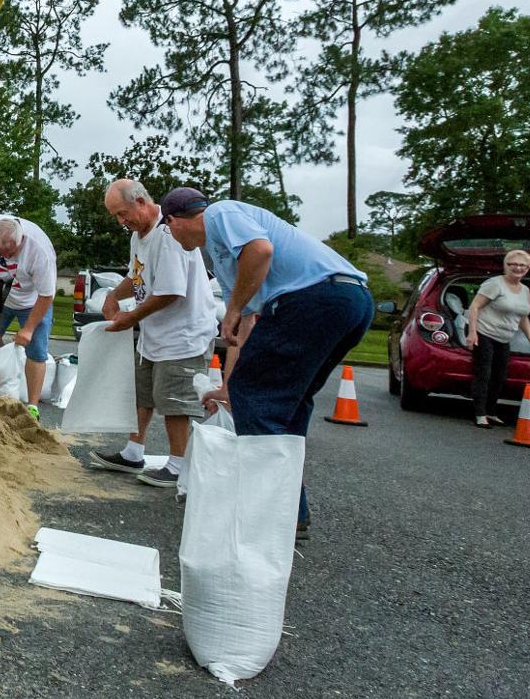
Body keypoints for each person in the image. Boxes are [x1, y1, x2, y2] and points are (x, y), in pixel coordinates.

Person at [159, 188, 372, 538]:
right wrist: (229, 387)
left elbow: (261, 250)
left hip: (314, 297)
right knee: (288, 403)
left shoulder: (220, 214)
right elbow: (243, 328)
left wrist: (232, 309)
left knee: (262, 402)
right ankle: (290, 511)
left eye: (169, 229)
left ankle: (267, 513)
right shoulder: (222, 259)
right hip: (348, 301)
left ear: (174, 221)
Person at [88, 179, 215, 487]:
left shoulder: (169, 234)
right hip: (156, 332)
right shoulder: (139, 235)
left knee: (173, 399)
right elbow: (137, 275)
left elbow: (172, 292)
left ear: (141, 202)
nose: (121, 222)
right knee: (142, 392)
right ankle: (133, 452)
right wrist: (113, 295)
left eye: (122, 213)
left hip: (183, 334)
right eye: (116, 216)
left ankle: (178, 465)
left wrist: (131, 317)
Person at [0, 212, 59, 413]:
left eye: (10, 252)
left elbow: (46, 296)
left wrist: (29, 329)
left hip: (33, 301)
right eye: (0, 252)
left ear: (21, 240)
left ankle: (32, 407)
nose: (5, 257)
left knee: (37, 351)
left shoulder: (40, 251)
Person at [464, 249, 530, 428]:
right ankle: (480, 414)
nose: (517, 268)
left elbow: (523, 316)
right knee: (483, 373)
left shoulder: (525, 290)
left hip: (504, 337)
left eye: (522, 265)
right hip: (484, 332)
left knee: (499, 376)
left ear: (528, 268)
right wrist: (472, 333)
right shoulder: (494, 284)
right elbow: (474, 307)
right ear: (505, 266)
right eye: (513, 264)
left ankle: (491, 411)